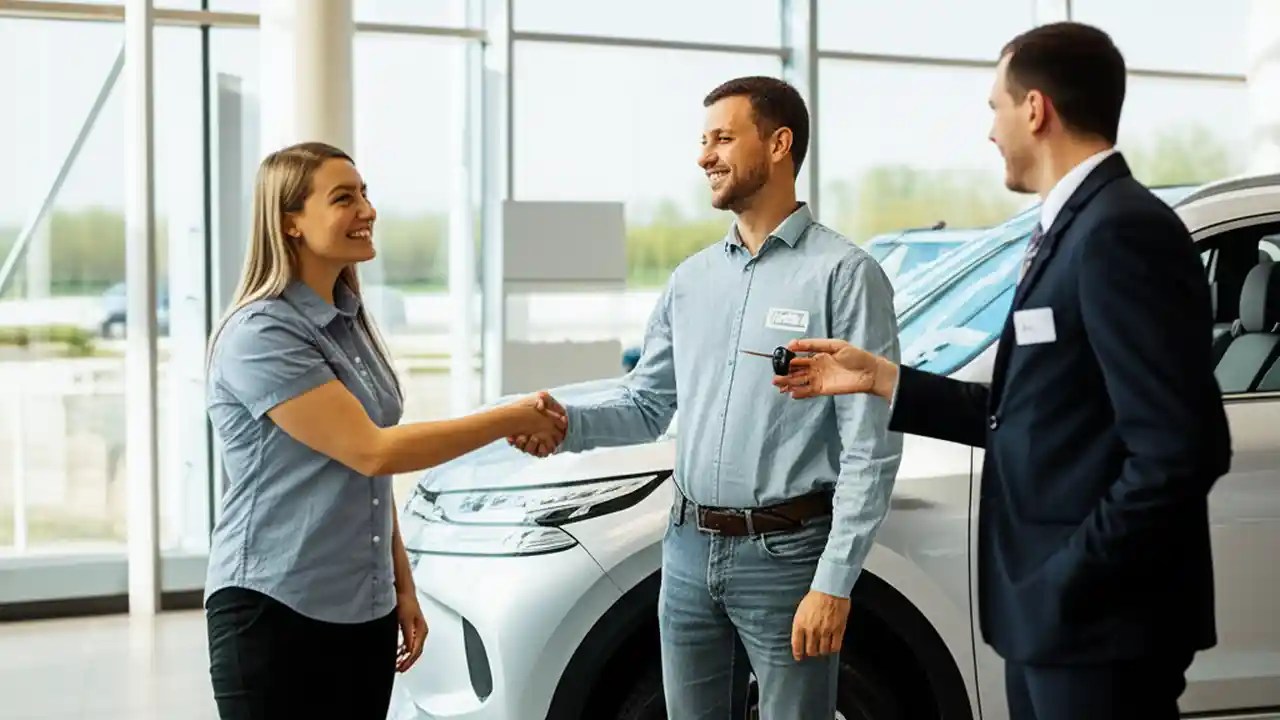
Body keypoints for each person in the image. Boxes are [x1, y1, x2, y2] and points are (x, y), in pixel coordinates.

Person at [773, 22, 1231, 720]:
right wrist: (880, 377)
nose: (991, 130)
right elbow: (1038, 413)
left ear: (1036, 109)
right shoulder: (1072, 227)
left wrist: (1064, 582)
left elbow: (1180, 450)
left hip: (1097, 629)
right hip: (1058, 629)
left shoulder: (1120, 232)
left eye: (996, 106)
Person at [508, 77, 902, 718]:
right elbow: (648, 404)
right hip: (687, 549)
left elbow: (871, 447)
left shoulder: (845, 276)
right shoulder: (691, 281)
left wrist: (834, 582)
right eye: (702, 141)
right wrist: (563, 425)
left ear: (779, 145)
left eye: (722, 138)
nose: (704, 157)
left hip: (788, 555)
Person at [202, 141, 566, 719]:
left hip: (361, 609)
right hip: (275, 608)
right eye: (344, 198)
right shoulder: (261, 334)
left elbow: (361, 478)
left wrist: (399, 584)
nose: (367, 210)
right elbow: (372, 452)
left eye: (365, 193)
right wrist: (509, 419)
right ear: (289, 223)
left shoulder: (351, 321)